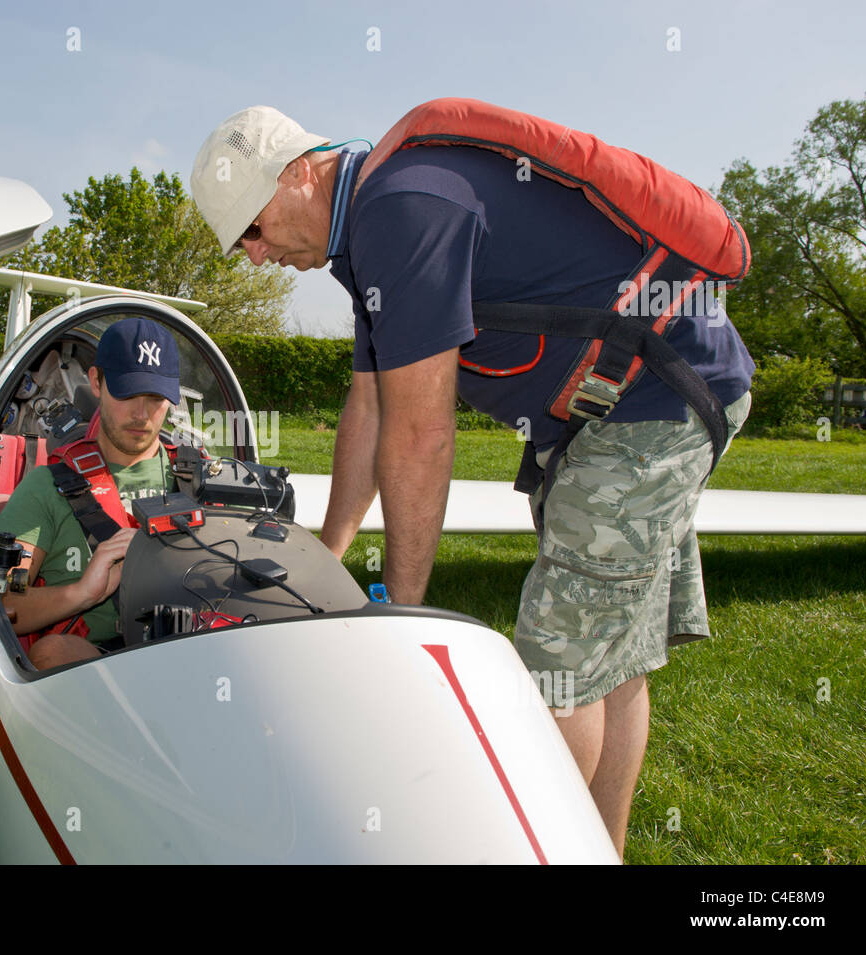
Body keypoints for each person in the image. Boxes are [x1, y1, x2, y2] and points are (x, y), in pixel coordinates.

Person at [189, 103, 754, 860]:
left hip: (655, 396)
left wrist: (404, 612)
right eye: (240, 247)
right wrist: (329, 551)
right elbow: (370, 408)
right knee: (609, 663)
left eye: (251, 230)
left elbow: (422, 436)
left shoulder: (402, 210)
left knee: (559, 664)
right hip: (625, 404)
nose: (254, 257)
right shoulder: (368, 237)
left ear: (296, 173)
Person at [0, 317, 182, 670]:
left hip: (191, 651)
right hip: (97, 667)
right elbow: (2, 601)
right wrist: (81, 594)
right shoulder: (46, 487)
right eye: (127, 393)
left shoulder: (200, 480)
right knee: (53, 654)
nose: (141, 414)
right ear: (96, 382)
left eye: (155, 397)